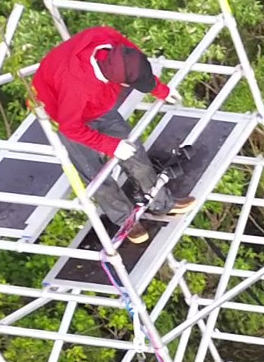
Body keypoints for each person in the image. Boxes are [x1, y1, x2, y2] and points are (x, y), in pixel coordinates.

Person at [31, 26, 193, 245]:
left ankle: (161, 203)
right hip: (63, 113)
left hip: (98, 103)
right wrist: (111, 146)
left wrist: (159, 89)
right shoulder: (76, 86)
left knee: (134, 151)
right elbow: (70, 128)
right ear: (120, 81)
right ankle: (125, 220)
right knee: (96, 173)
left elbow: (135, 60)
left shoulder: (107, 39)